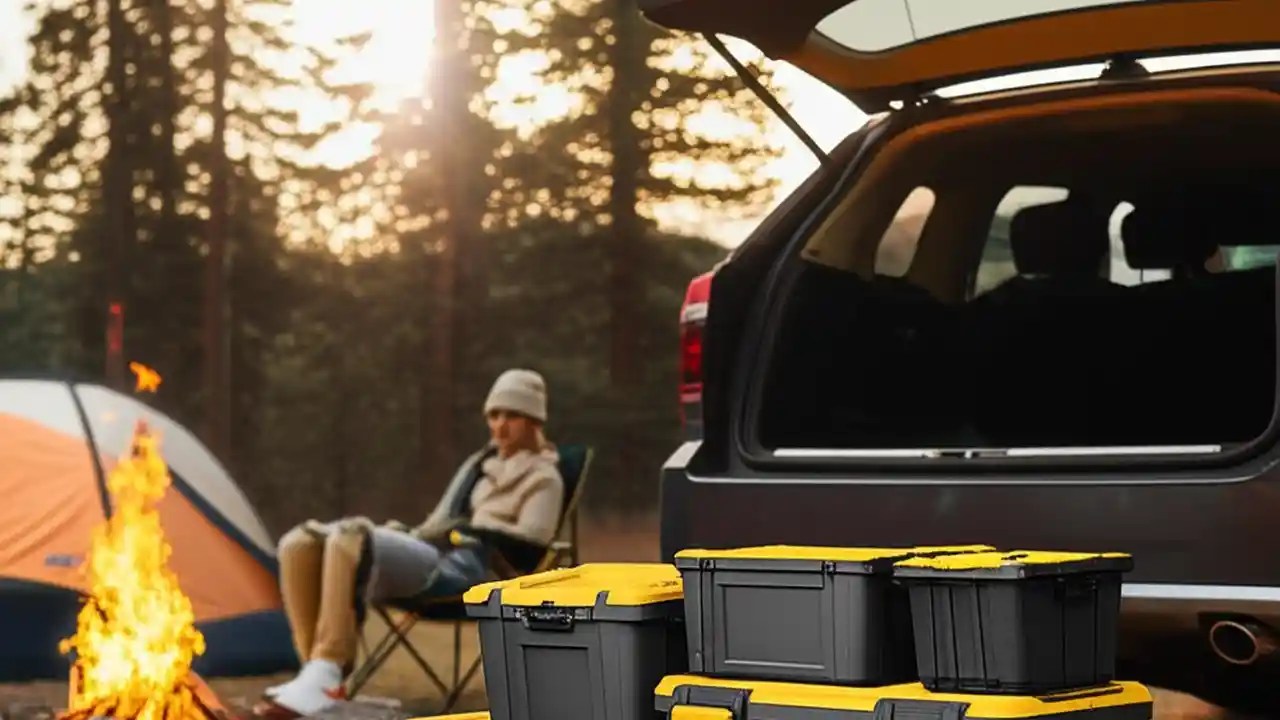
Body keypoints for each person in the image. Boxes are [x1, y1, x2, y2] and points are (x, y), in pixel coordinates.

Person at [253, 369, 564, 718]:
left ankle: (327, 671)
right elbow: (438, 524)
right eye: (494, 415)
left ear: (534, 420)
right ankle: (314, 673)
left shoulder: (545, 478)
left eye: (512, 415)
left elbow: (528, 548)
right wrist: (415, 532)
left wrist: (470, 532)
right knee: (299, 543)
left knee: (352, 535)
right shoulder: (479, 467)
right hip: (439, 551)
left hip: (473, 574)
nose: (500, 425)